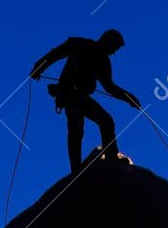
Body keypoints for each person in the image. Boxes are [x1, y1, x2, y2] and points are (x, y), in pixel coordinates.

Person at [30, 30, 141, 172]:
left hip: (72, 96)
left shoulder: (101, 59)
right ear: (108, 41)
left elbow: (109, 87)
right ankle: (109, 159)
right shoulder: (81, 45)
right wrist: (39, 67)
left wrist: (129, 98)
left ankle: (77, 169)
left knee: (77, 130)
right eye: (114, 48)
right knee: (104, 122)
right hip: (71, 94)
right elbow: (55, 54)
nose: (114, 52)